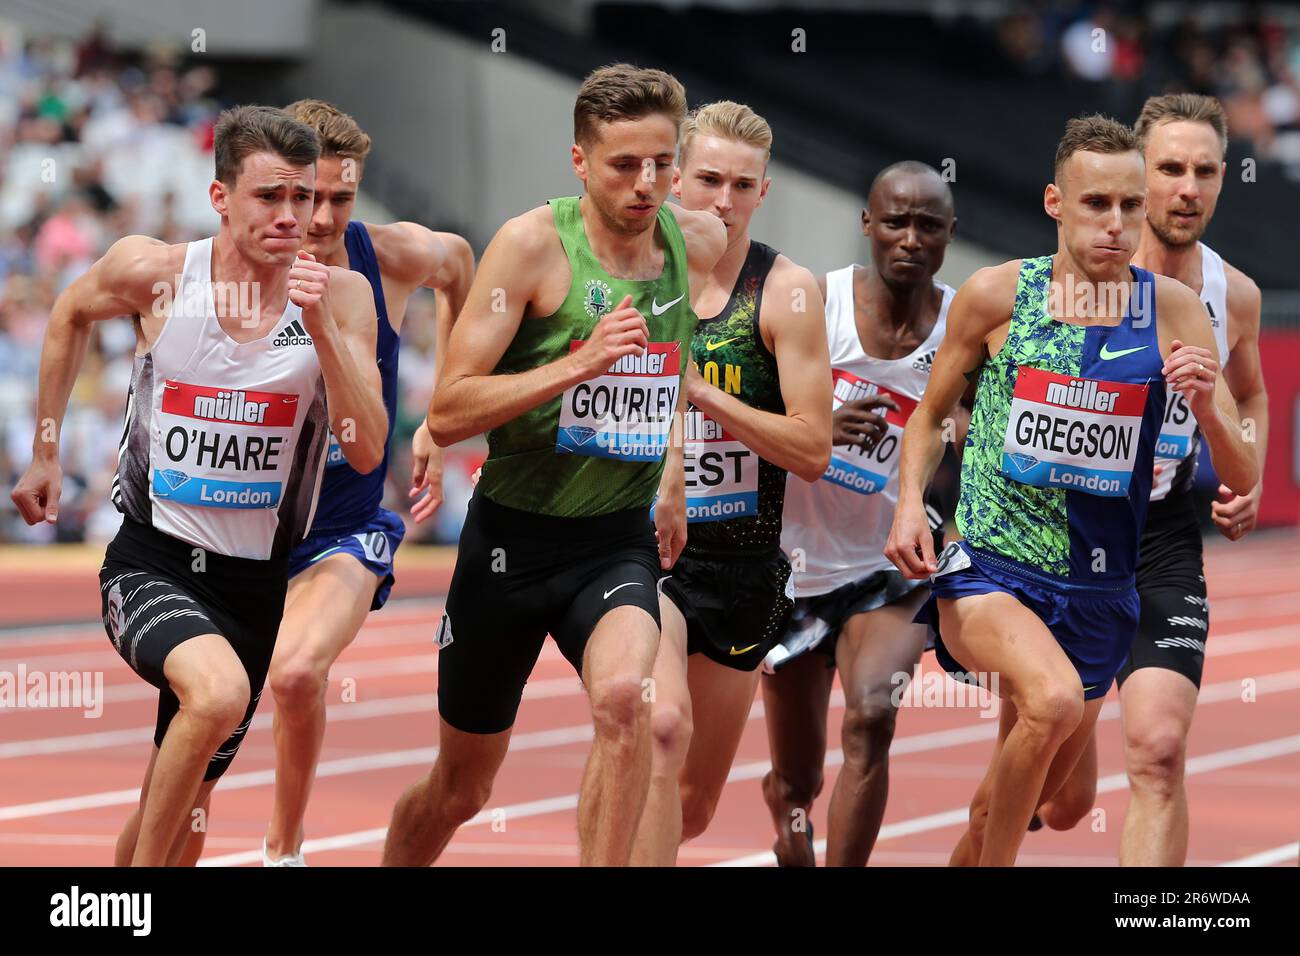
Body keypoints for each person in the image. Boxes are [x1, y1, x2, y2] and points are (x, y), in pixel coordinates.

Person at [10, 105, 386, 866]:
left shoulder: (340, 299)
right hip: (151, 565)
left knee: (175, 808)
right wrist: (45, 452)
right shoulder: (154, 272)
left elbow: (368, 446)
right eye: (269, 197)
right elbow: (69, 314)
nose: (292, 217)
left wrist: (321, 337)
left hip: (254, 589)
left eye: (303, 198)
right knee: (215, 698)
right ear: (221, 199)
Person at [885, 114, 1259, 867]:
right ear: (1056, 203)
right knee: (1050, 701)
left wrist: (1207, 407)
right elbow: (927, 418)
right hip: (991, 572)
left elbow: (1244, 471)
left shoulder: (1174, 312)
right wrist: (907, 507)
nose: (1116, 224)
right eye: (1096, 205)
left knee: (1037, 804)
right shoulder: (996, 296)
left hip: (1100, 590)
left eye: (1129, 206)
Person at [381, 64, 726, 867]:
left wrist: (671, 466)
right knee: (461, 789)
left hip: (613, 542)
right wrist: (577, 364)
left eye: (663, 164)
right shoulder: (532, 247)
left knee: (623, 701)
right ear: (579, 161)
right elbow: (449, 409)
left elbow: (670, 366)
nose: (648, 184)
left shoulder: (696, 242)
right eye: (624, 165)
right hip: (509, 544)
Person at [1035, 94, 1268, 866]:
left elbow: (1254, 394)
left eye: (1205, 171)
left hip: (1161, 534)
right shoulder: (1076, 281)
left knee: (1160, 751)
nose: (1187, 187)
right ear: (1141, 171)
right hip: (1059, 536)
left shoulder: (1234, 296)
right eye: (1170, 168)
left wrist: (1248, 470)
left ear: (1223, 179)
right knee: (1061, 800)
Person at [261, 99, 475, 867]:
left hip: (343, 529)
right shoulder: (230, 265)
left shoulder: (389, 256)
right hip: (235, 533)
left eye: (340, 198)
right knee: (195, 734)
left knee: (293, 674)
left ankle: (283, 846)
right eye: (305, 194)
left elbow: (459, 268)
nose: (320, 218)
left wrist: (441, 415)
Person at [628, 101, 831, 865]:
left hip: (742, 566)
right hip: (640, 554)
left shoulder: (784, 292)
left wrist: (704, 394)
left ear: (763, 193)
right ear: (676, 180)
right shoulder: (634, 274)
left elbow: (811, 448)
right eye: (708, 179)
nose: (722, 199)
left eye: (741, 185)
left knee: (693, 805)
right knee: (657, 727)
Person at [761, 161, 957, 867]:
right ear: (867, 224)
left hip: (890, 569)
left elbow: (986, 441)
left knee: (872, 717)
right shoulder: (815, 302)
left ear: (949, 235)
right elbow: (749, 421)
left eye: (928, 225)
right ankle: (785, 807)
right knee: (798, 779)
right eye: (895, 221)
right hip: (788, 568)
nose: (910, 238)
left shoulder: (965, 326)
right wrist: (815, 426)